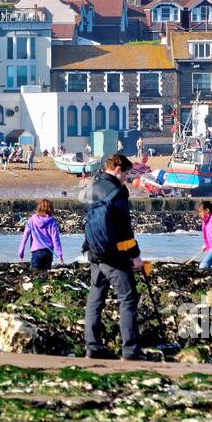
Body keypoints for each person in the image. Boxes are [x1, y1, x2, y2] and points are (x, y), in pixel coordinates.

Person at [82, 153, 145, 361]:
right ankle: (130, 350)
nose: (126, 178)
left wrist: (88, 248)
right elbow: (124, 228)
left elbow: (90, 221)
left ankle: (92, 346)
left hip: (94, 251)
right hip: (114, 255)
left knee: (95, 299)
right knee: (128, 299)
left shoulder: (92, 187)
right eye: (126, 174)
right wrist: (135, 255)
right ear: (117, 168)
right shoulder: (117, 192)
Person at [18, 199, 64, 270]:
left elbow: (25, 237)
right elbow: (56, 240)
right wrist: (60, 256)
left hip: (36, 252)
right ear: (50, 208)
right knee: (46, 275)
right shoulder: (52, 221)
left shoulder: (31, 220)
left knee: (35, 274)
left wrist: (21, 254)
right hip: (48, 252)